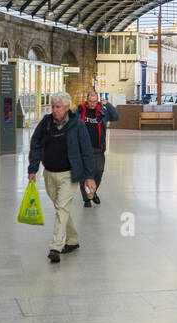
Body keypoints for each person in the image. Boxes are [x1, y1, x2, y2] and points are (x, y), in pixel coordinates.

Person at [27, 92, 97, 263]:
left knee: (61, 208)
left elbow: (87, 151)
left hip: (69, 174)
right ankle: (72, 240)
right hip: (49, 173)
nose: (54, 110)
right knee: (61, 208)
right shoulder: (46, 122)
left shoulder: (77, 125)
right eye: (53, 107)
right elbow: (35, 144)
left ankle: (55, 247)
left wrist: (89, 176)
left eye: (58, 107)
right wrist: (33, 169)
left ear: (66, 108)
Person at [77, 90, 118, 206]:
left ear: (97, 101)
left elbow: (115, 116)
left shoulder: (102, 111)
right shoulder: (80, 110)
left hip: (98, 148)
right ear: (87, 100)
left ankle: (93, 192)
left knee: (98, 171)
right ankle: (87, 198)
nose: (92, 104)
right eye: (90, 101)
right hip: (83, 149)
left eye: (95, 102)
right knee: (84, 174)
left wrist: (107, 104)